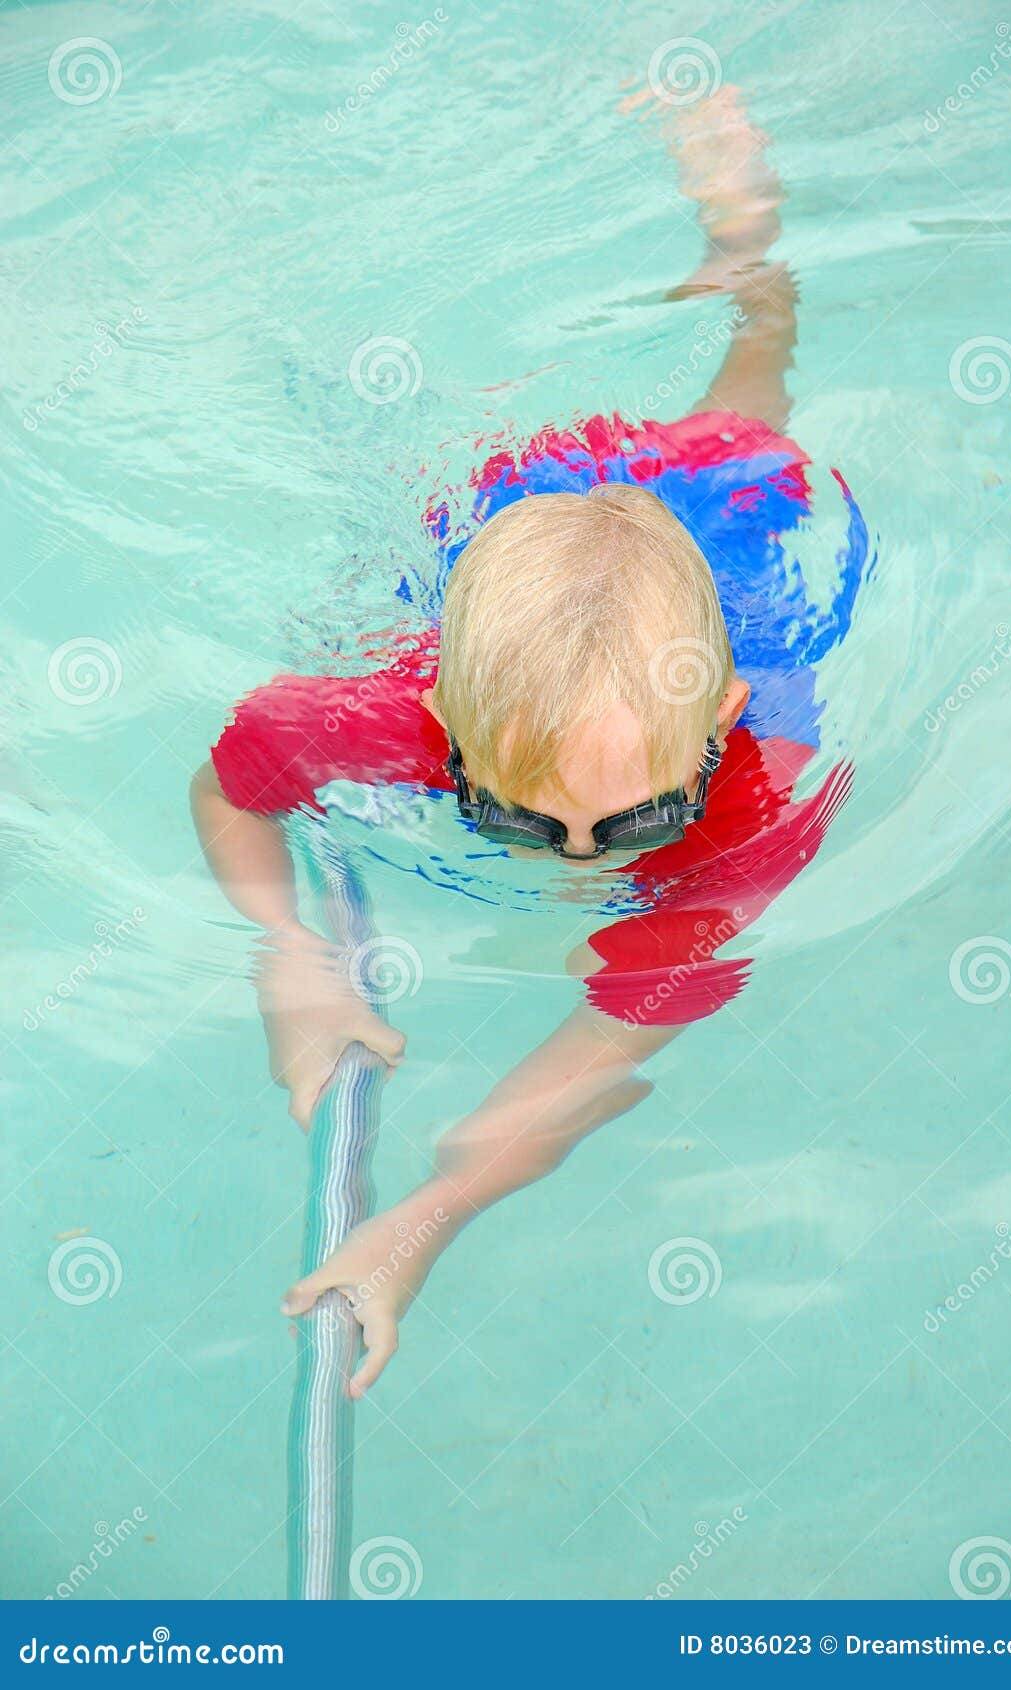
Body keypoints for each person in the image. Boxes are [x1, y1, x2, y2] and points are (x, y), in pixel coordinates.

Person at [191, 86, 868, 1397]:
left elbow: (604, 1046)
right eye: (514, 818)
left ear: (716, 736)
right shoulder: (396, 708)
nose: (573, 860)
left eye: (633, 825)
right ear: (440, 728)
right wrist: (295, 956)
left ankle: (749, 249)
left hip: (715, 524)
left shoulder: (756, 805)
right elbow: (232, 785)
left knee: (754, 382)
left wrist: (421, 1222)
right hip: (510, 524)